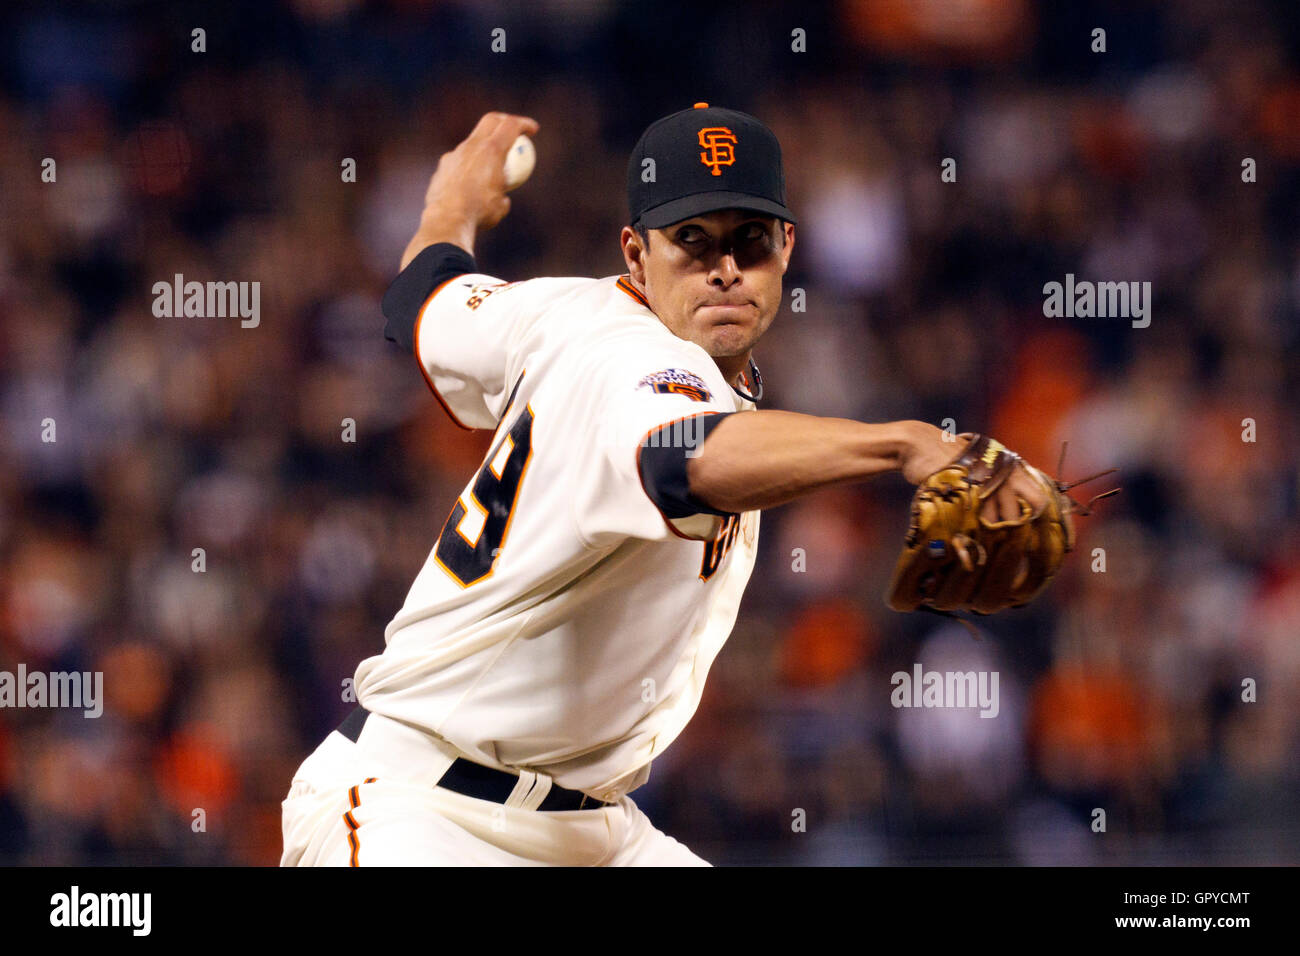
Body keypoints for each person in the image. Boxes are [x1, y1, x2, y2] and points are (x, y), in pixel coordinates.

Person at [279, 104, 1049, 866]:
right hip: (419, 815)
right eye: (691, 241)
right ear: (636, 256)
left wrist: (452, 201)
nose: (724, 268)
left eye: (748, 241)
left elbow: (428, 294)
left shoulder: (549, 312)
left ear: (787, 247)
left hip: (592, 829)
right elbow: (687, 458)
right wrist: (906, 443)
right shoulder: (637, 359)